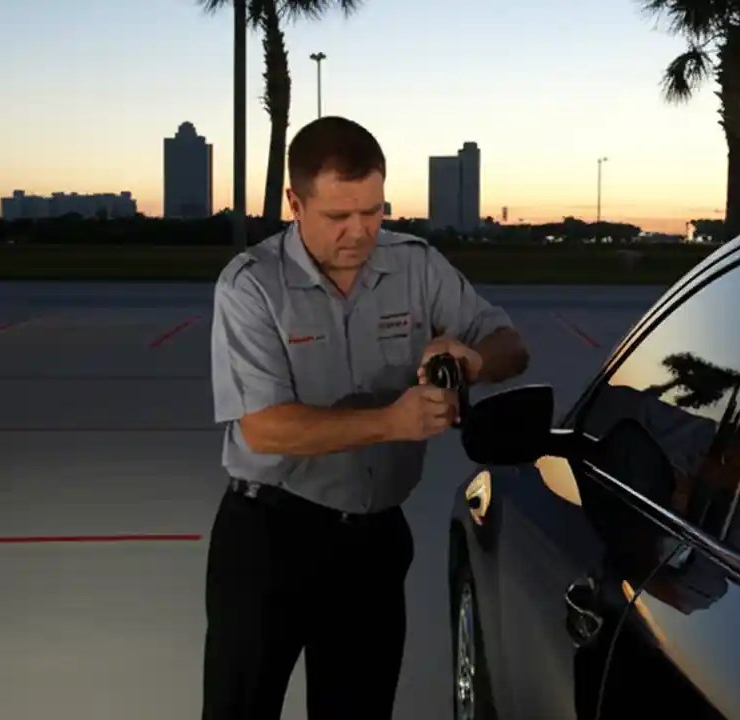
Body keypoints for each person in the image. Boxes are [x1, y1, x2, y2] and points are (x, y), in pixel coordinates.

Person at [202, 115, 529, 720]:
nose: (359, 231)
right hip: (270, 538)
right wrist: (391, 423)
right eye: (338, 216)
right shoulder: (252, 286)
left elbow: (511, 344)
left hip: (372, 544)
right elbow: (263, 428)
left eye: (373, 211)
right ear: (294, 203)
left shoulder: (416, 266)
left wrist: (472, 359)